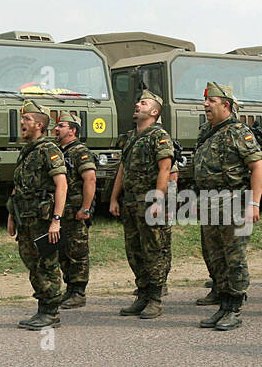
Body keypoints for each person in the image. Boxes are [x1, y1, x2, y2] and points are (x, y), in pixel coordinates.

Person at [193, 82, 262, 330]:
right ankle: (223, 304)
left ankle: (234, 308)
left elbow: (257, 167)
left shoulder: (238, 132)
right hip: (210, 203)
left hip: (234, 202)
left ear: (226, 105)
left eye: (211, 101)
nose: (205, 105)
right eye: (205, 101)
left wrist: (254, 203)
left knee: (234, 257)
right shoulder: (206, 131)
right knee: (216, 257)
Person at [109, 90, 174, 319]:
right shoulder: (129, 137)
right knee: (134, 251)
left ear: (154, 111)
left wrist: (158, 199)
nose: (137, 104)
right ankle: (142, 295)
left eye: (143, 103)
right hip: (130, 204)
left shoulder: (159, 136)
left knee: (154, 250)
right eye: (138, 101)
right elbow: (123, 169)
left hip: (150, 204)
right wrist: (114, 198)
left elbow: (165, 168)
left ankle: (155, 299)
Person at [7, 100, 68, 329]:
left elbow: (61, 185)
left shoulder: (49, 150)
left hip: (43, 220)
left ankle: (51, 312)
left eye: (27, 119)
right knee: (32, 263)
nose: (22, 122)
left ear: (40, 126)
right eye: (22, 119)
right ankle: (42, 308)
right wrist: (11, 216)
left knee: (47, 264)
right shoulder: (26, 151)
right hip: (25, 219)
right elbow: (17, 187)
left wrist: (56, 221)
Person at [52, 112, 97, 309]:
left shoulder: (80, 151)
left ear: (73, 130)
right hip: (63, 211)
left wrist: (85, 208)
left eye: (61, 125)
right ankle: (69, 289)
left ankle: (78, 291)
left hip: (76, 210)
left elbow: (90, 179)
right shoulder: (58, 151)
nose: (56, 129)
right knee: (63, 251)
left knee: (77, 251)